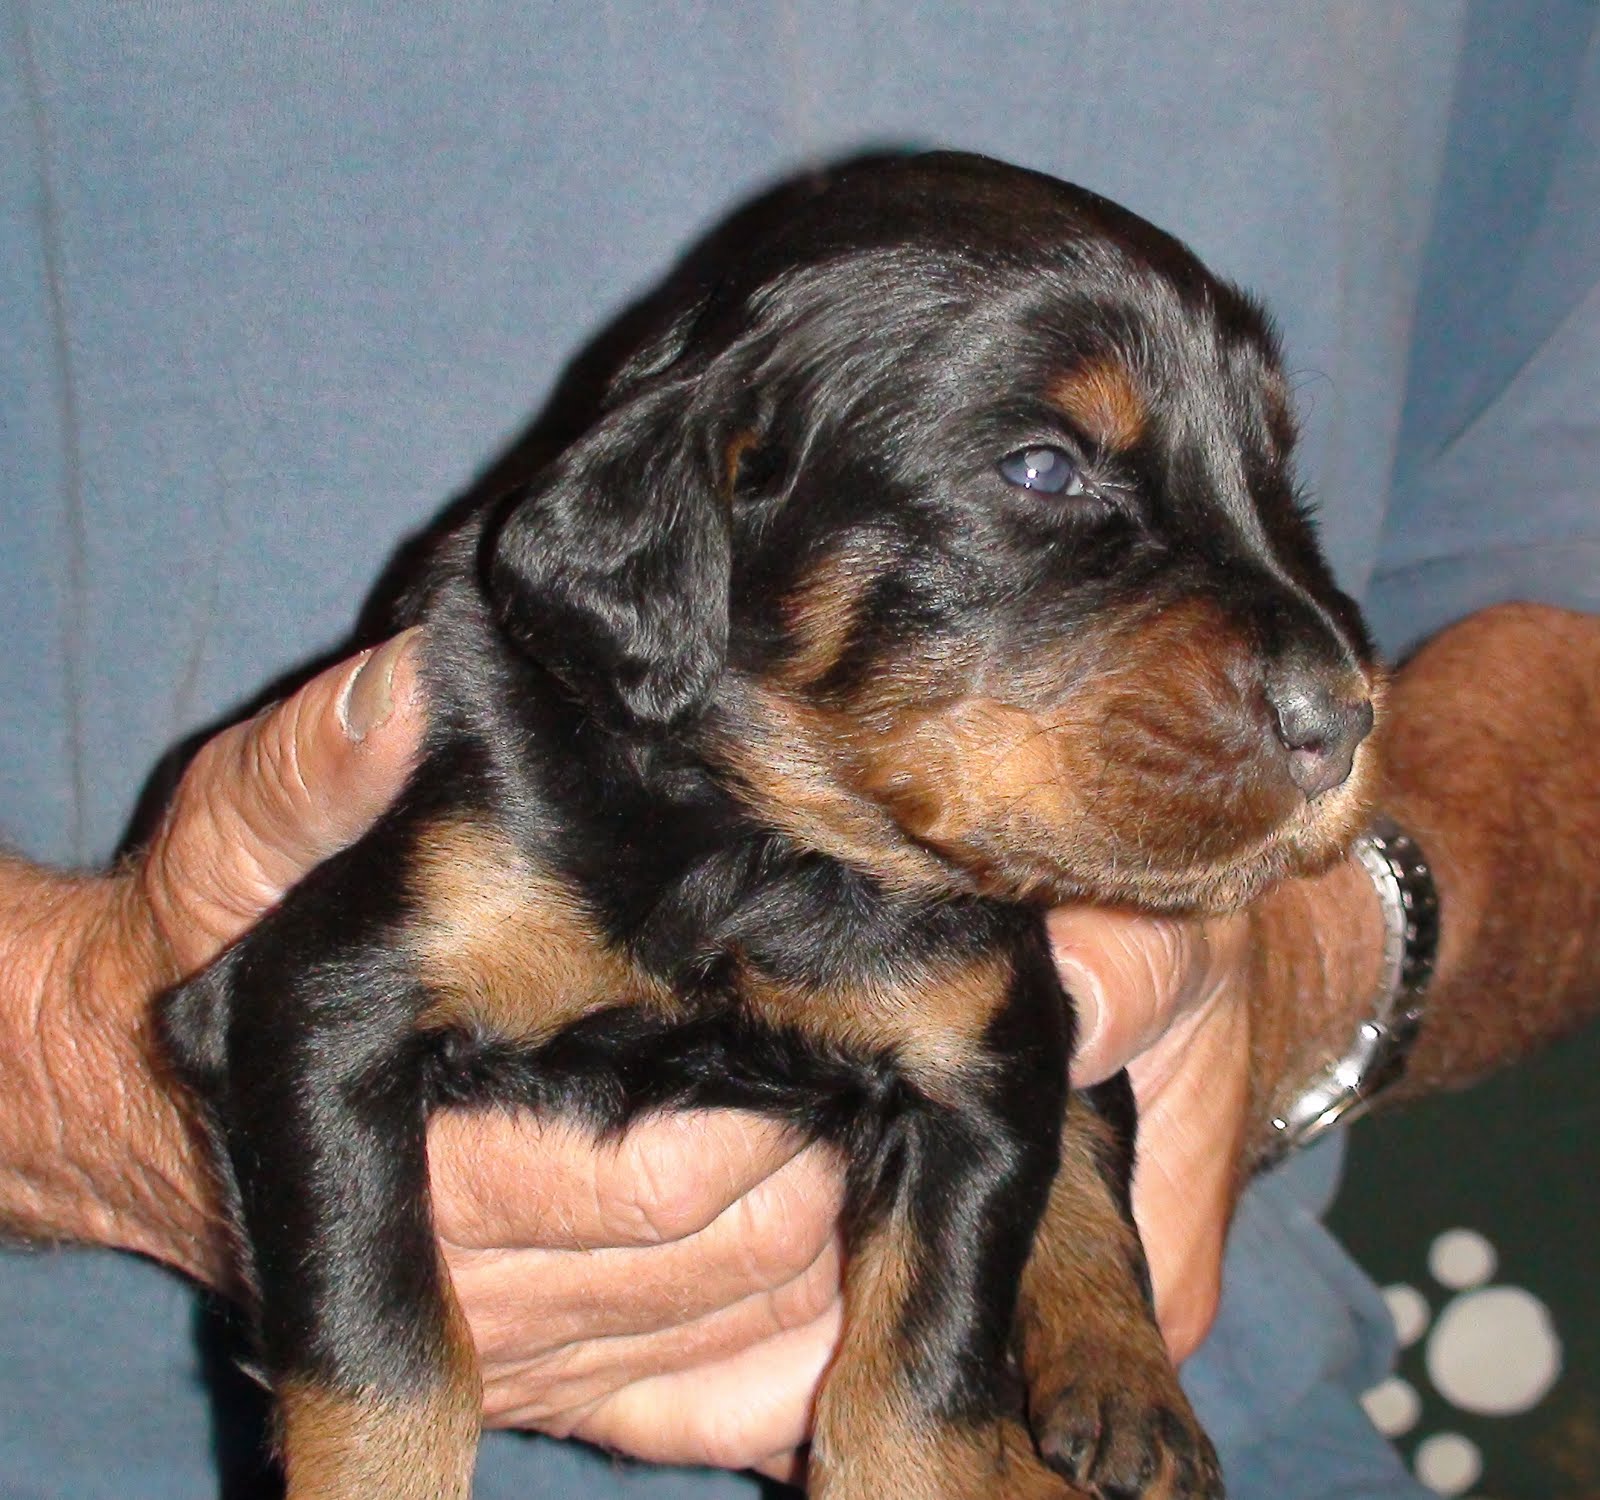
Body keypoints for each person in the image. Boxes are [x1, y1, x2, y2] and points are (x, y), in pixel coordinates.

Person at [4, 5, 1597, 1497]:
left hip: (1230, 1400)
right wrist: (65, 1062)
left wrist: (1309, 959)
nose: (1324, 670)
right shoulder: (533, 789)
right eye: (1045, 471)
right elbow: (319, 1008)